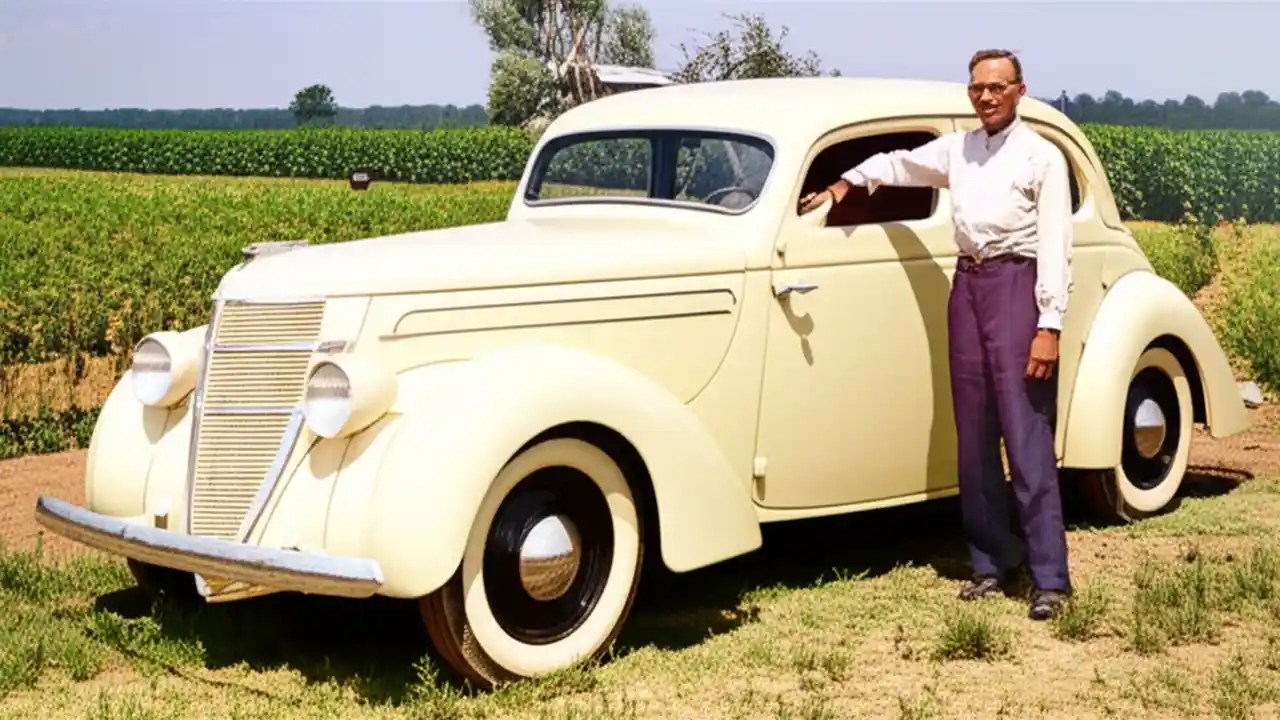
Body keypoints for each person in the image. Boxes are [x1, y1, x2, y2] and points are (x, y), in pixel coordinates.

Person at [798, 48, 1074, 620]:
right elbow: (899, 163)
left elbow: (1055, 246)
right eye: (978, 88)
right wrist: (846, 184)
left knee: (1025, 433)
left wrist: (1049, 324)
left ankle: (1050, 578)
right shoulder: (959, 150)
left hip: (1017, 285)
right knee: (972, 434)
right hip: (967, 285)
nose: (987, 96)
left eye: (998, 87)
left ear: (1020, 90)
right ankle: (992, 563)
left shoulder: (1042, 158)